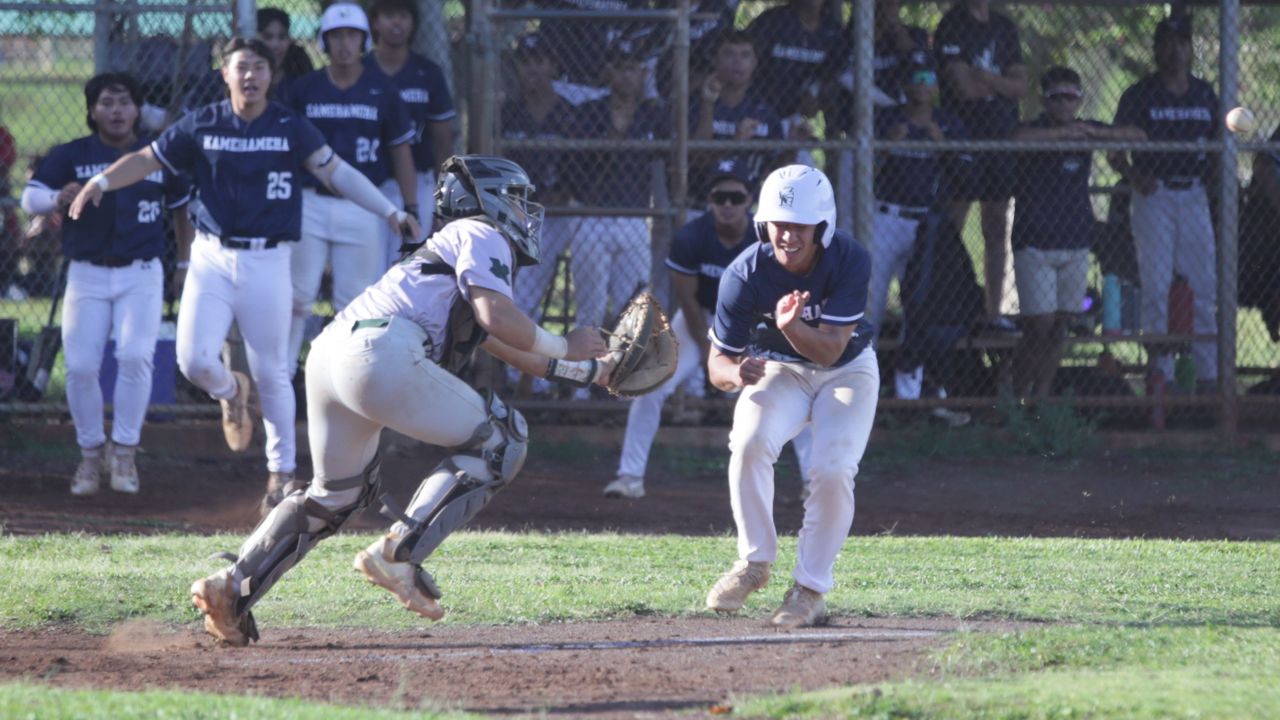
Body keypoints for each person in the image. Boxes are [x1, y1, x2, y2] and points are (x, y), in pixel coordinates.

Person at [188, 155, 610, 646]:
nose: (523, 210)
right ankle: (398, 555)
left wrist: (594, 370)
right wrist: (566, 344)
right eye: (515, 198)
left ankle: (231, 588)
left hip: (331, 355)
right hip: (379, 353)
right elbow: (498, 317)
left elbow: (515, 347)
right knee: (502, 439)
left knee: (335, 495)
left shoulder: (446, 254)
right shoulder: (480, 230)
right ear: (487, 200)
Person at [68, 38, 421, 511]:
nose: (250, 75)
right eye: (241, 67)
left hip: (268, 260)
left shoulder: (289, 126)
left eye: (259, 67)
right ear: (225, 74)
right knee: (193, 361)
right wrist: (101, 181)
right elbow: (148, 159)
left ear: (271, 76)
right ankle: (232, 391)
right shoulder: (204, 122)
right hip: (212, 257)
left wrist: (390, 211)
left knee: (273, 371)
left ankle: (281, 474)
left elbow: (337, 173)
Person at [704, 164, 878, 628]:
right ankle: (754, 563)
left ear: (823, 227)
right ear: (763, 224)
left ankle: (808, 589)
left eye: (800, 226)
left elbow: (831, 349)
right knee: (749, 441)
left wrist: (790, 326)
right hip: (781, 369)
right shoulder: (744, 273)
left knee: (833, 469)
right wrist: (734, 372)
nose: (788, 236)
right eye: (779, 224)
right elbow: (717, 364)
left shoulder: (849, 258)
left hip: (847, 370)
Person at [21, 72, 193, 496]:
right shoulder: (72, 155)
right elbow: (30, 197)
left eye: (124, 102)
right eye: (106, 103)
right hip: (87, 272)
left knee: (136, 356)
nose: (116, 111)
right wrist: (57, 197)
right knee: (80, 365)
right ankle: (90, 454)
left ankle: (125, 452)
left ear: (137, 110)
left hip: (142, 271)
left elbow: (181, 210)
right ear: (92, 110)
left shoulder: (155, 154)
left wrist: (184, 263)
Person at [605, 160, 756, 499]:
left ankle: (809, 481)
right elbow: (686, 298)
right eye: (720, 197)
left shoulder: (762, 237)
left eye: (735, 197)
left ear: (750, 199)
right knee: (651, 386)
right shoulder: (692, 236)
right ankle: (629, 477)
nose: (727, 205)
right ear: (710, 201)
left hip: (752, 321)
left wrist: (742, 348)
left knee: (782, 385)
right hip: (699, 317)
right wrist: (708, 351)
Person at [286, 3, 418, 384]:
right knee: (298, 299)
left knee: (355, 304)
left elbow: (400, 151)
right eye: (336, 36)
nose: (344, 44)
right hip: (309, 202)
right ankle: (284, 380)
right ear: (324, 41)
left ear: (364, 40)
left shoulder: (383, 91)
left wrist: (408, 206)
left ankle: (345, 384)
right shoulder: (303, 88)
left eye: (352, 36)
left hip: (364, 204)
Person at [1010, 67, 1144, 398]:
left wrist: (1091, 134)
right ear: (1044, 100)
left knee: (1060, 327)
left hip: (1075, 240)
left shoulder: (1086, 129)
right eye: (1057, 98)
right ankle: (1011, 391)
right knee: (1038, 325)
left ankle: (1040, 399)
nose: (1065, 105)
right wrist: (1063, 134)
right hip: (1035, 242)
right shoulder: (1035, 129)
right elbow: (1016, 139)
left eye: (1072, 98)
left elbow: (1136, 135)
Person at [1107, 15, 1219, 392]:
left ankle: (1208, 378)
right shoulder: (1139, 95)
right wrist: (1135, 177)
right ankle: (1162, 377)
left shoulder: (1205, 94)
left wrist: (1217, 189)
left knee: (1203, 287)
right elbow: (1114, 151)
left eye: (1182, 43)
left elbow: (1221, 147)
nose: (1175, 51)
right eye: (1167, 43)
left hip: (1193, 194)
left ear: (1190, 48)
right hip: (1154, 197)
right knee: (1156, 286)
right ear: (1156, 49)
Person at [934, 0, 1027, 322]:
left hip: (1001, 138)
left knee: (997, 227)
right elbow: (963, 89)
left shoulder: (1004, 27)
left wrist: (985, 77)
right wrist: (999, 83)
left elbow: (1021, 86)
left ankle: (993, 310)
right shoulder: (953, 24)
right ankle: (943, 306)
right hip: (964, 139)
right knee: (952, 223)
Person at [568, 43, 670, 333]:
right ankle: (585, 373)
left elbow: (674, 158)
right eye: (619, 67)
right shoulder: (588, 112)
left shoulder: (654, 116)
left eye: (631, 68)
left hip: (634, 215)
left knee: (633, 306)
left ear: (643, 73)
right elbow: (575, 164)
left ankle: (622, 374)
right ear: (608, 72)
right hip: (591, 215)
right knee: (591, 307)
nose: (625, 76)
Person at [365, 0, 458, 267]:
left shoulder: (427, 73)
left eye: (403, 16)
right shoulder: (362, 71)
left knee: (408, 268)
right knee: (370, 267)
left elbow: (443, 141)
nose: (397, 23)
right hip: (371, 182)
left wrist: (443, 200)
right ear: (375, 22)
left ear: (413, 23)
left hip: (418, 181)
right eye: (389, 15)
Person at [501, 33, 577, 327]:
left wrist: (564, 193)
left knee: (526, 293)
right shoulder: (507, 113)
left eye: (539, 61)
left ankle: (526, 369)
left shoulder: (569, 113)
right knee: (513, 292)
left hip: (558, 215)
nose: (531, 69)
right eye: (525, 62)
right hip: (513, 213)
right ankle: (513, 371)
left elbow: (580, 170)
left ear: (552, 67)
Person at [690, 30, 783, 201]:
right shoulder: (696, 104)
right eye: (728, 54)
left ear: (754, 63)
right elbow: (696, 159)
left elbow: (778, 167)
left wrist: (795, 144)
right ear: (714, 59)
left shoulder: (764, 112)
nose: (737, 62)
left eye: (745, 55)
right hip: (699, 203)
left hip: (748, 207)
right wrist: (735, 142)